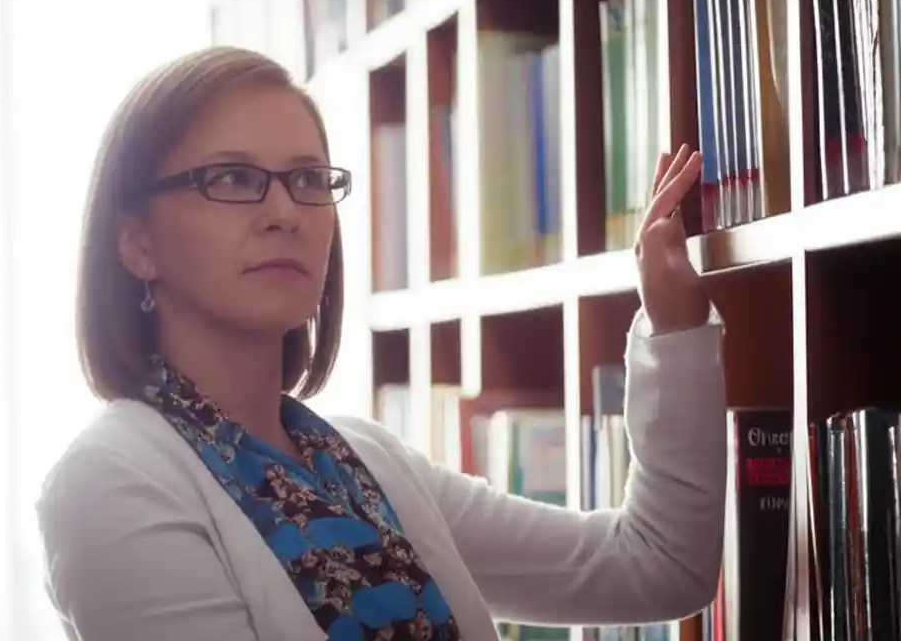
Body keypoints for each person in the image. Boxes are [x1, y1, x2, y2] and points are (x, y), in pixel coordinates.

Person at [37, 46, 725, 641]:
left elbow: (655, 567)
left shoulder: (366, 460)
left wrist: (675, 327)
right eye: (233, 179)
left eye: (308, 179)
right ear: (136, 243)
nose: (284, 214)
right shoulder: (108, 480)